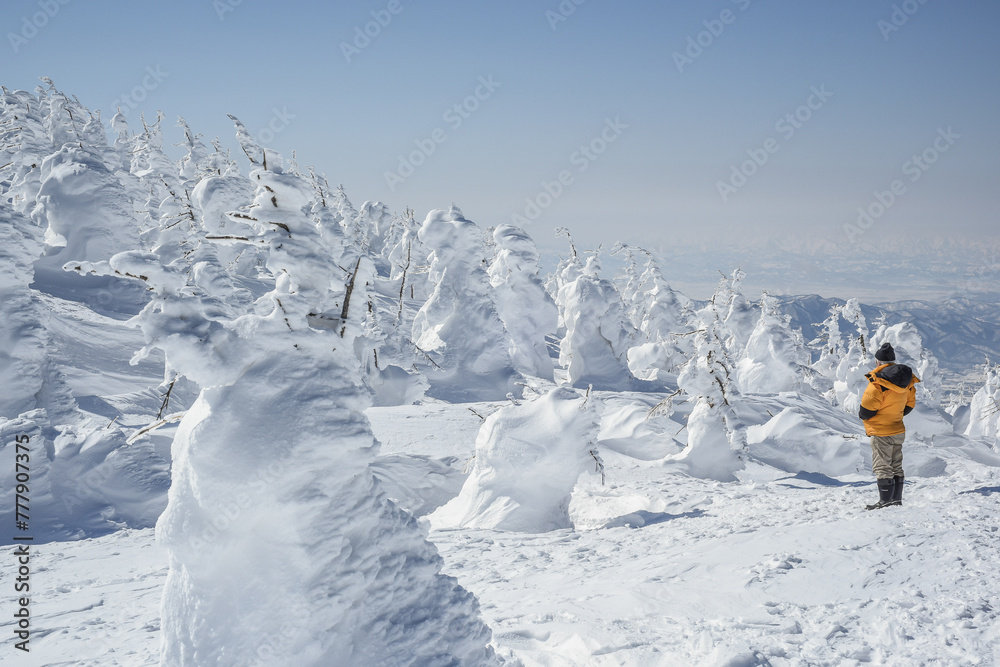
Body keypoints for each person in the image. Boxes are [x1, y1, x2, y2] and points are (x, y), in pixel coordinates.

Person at [859, 342, 919, 510]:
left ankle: (885, 501)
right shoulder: (907, 382)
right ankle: (896, 500)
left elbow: (866, 411)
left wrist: (868, 417)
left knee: (882, 465)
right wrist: (896, 415)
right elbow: (909, 405)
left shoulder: (877, 384)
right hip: (898, 429)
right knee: (896, 464)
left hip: (881, 430)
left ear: (878, 362)